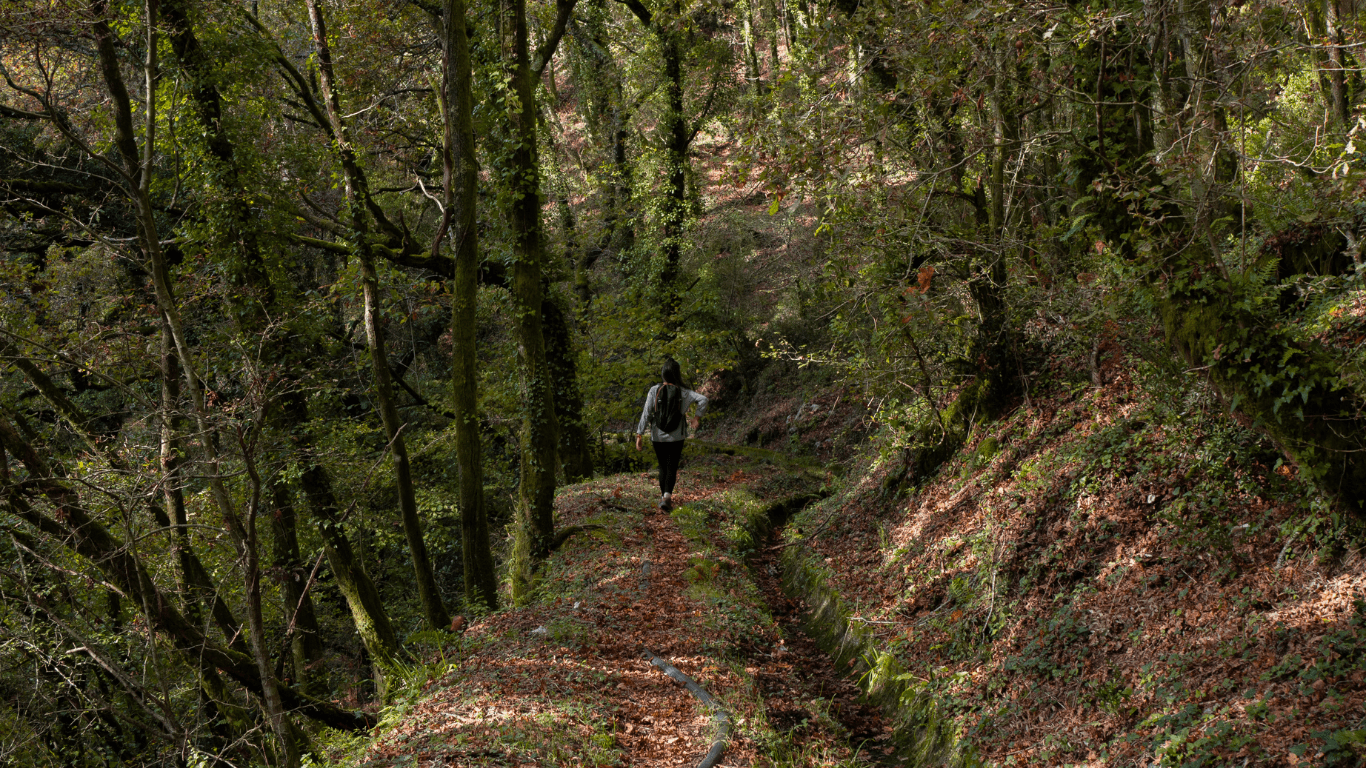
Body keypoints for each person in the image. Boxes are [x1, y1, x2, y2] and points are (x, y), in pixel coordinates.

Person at [635, 358, 708, 511]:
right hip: (677, 436)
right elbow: (703, 399)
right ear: (677, 374)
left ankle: (664, 498)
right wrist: (696, 418)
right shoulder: (684, 392)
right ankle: (667, 496)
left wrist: (639, 435)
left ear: (663, 374)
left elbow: (646, 413)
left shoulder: (654, 390)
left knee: (662, 466)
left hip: (657, 436)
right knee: (672, 466)